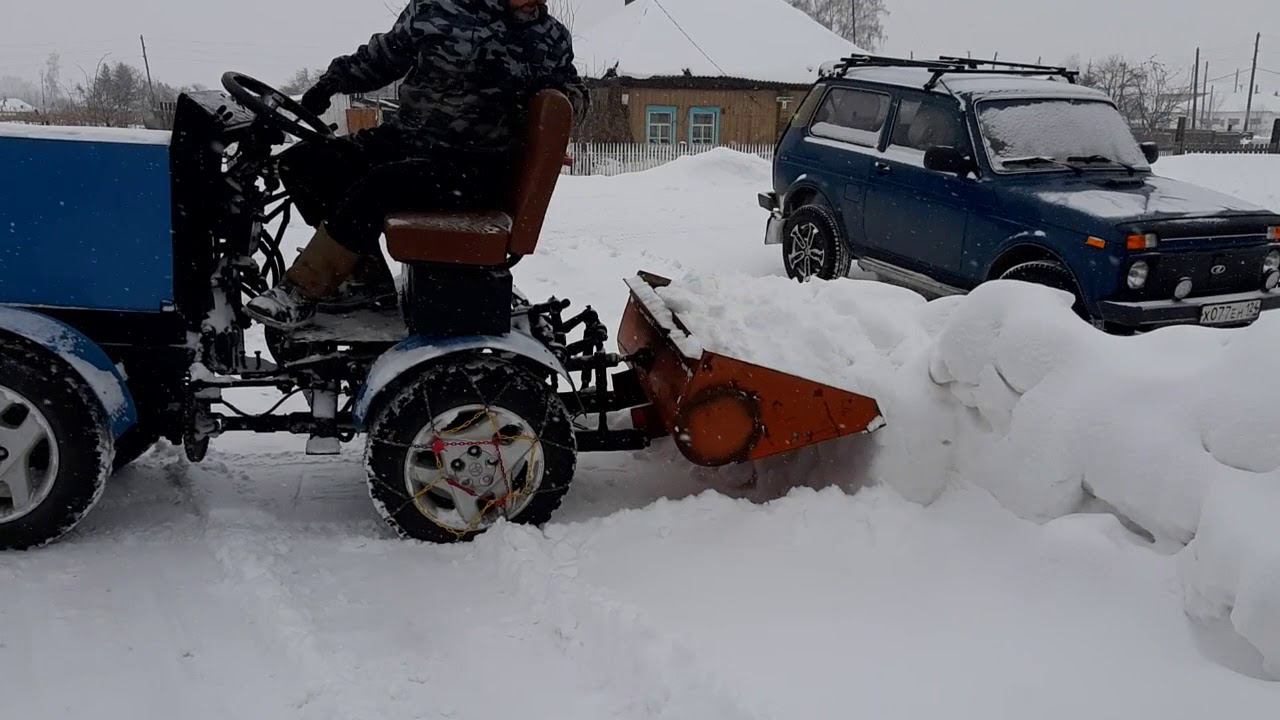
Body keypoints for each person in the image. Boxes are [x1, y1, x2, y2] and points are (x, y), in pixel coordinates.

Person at [246, 0, 589, 330]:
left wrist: (558, 103)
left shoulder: (551, 37)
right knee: (305, 162)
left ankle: (301, 289)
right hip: (407, 139)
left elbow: (571, 93)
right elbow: (384, 57)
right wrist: (330, 83)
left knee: (381, 185)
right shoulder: (437, 7)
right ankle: (366, 279)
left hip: (477, 166)